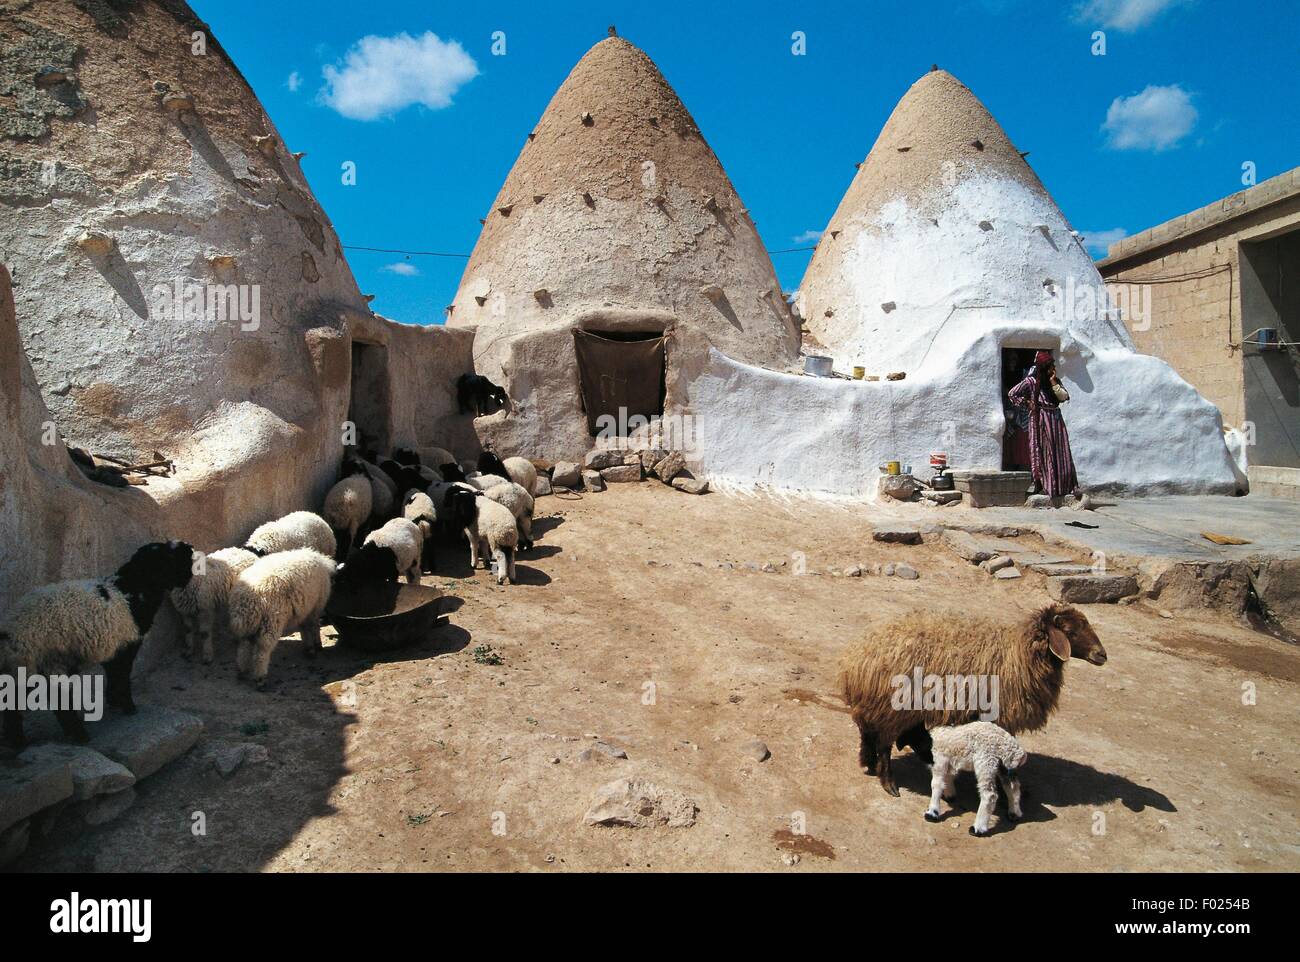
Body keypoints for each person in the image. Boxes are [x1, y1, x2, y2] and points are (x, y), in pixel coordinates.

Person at [1008, 350, 1078, 497]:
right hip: (1039, 419)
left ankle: (1061, 486)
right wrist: (1027, 403)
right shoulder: (1031, 382)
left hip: (1055, 420)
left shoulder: (1055, 381)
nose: (1053, 369)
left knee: (1059, 451)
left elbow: (1063, 397)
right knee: (1040, 451)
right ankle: (1041, 483)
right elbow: (1012, 394)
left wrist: (1053, 381)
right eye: (1049, 366)